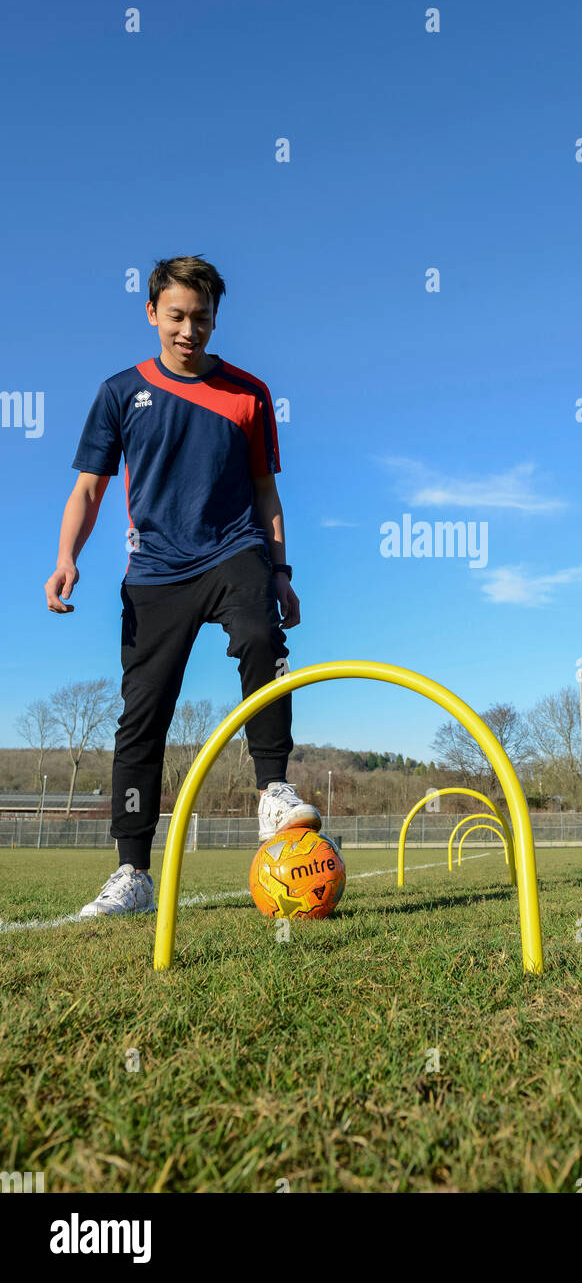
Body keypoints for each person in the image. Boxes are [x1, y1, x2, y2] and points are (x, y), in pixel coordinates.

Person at [44, 254, 320, 918]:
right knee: (141, 720)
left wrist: (280, 571)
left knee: (261, 634)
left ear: (216, 318)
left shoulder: (249, 394)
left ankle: (273, 789)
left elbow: (265, 491)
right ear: (152, 313)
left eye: (201, 317)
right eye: (176, 316)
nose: (188, 330)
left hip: (234, 549)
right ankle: (132, 874)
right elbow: (88, 487)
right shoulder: (119, 393)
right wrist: (66, 557)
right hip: (156, 574)